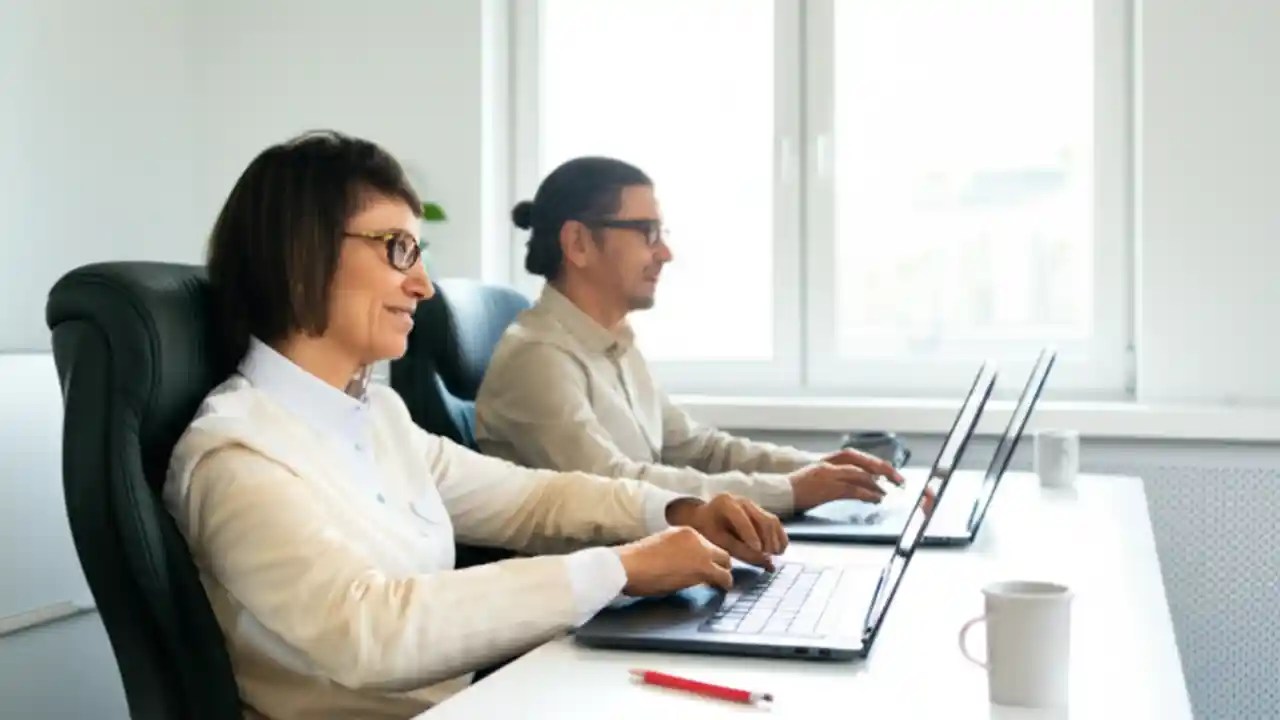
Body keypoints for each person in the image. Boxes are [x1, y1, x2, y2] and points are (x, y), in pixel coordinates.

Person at [163, 132, 788, 720]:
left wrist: (676, 511)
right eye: (398, 251)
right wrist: (618, 568)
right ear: (303, 256)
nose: (422, 285)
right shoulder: (236, 455)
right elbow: (371, 632)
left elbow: (532, 497)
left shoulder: (377, 417)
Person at [474, 156, 906, 518]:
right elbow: (616, 486)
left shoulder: (614, 342)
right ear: (579, 242)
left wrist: (815, 468)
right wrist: (791, 490)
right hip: (592, 603)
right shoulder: (537, 357)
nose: (665, 253)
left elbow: (697, 448)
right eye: (647, 233)